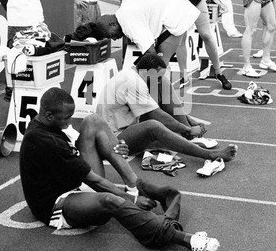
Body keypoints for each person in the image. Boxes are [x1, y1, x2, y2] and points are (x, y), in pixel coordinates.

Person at [19, 87, 222, 251]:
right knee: (111, 200)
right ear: (49, 116)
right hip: (55, 204)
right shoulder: (46, 141)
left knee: (93, 121)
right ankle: (184, 238)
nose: (69, 122)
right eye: (66, 118)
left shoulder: (47, 126)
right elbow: (93, 179)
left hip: (70, 183)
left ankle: (134, 183)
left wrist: (118, 147)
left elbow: (80, 146)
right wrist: (131, 199)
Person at [96, 53, 238, 167]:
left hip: (127, 125)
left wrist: (189, 121)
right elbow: (155, 114)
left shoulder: (133, 74)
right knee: (154, 126)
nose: (158, 80)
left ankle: (188, 136)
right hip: (114, 139)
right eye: (157, 76)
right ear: (149, 71)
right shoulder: (134, 83)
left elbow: (153, 107)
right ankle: (209, 155)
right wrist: (186, 129)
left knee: (163, 85)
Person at [95, 0, 200, 73]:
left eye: (111, 35)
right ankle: (183, 80)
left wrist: (135, 71)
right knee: (159, 62)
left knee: (158, 66)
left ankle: (162, 99)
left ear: (112, 24)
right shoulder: (122, 13)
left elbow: (151, 53)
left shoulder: (128, 24)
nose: (114, 38)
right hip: (178, 5)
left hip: (175, 13)